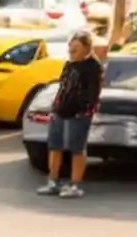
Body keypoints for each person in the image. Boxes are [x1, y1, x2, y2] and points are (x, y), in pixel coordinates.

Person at [37, 30, 104, 198]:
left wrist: (83, 110)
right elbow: (62, 86)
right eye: (70, 47)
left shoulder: (93, 67)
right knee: (55, 146)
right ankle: (53, 182)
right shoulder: (68, 64)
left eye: (75, 48)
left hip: (78, 115)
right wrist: (56, 104)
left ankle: (75, 185)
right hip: (60, 111)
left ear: (86, 48)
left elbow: (93, 94)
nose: (71, 50)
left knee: (76, 149)